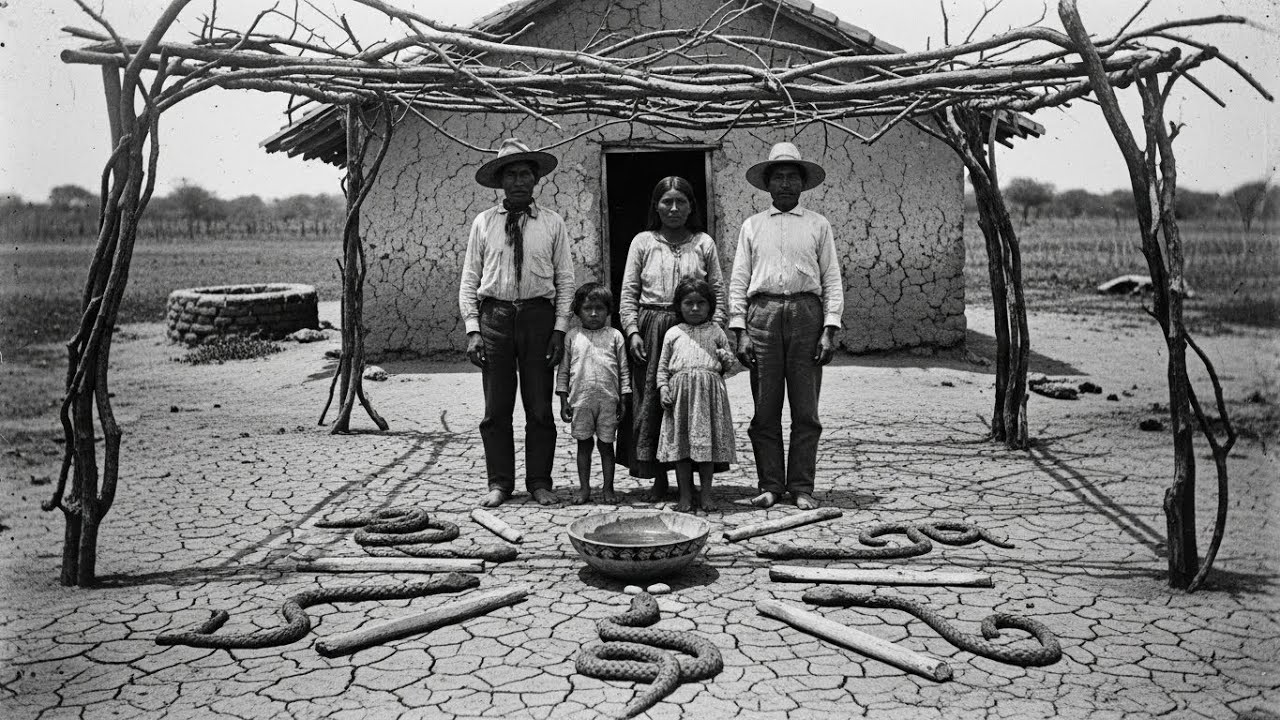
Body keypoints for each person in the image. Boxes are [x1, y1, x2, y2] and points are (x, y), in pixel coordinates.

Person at [459, 138, 575, 508]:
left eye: (526, 173)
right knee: (496, 408)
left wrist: (559, 329)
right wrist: (473, 329)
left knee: (539, 407)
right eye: (511, 174)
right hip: (495, 318)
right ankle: (500, 483)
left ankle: (539, 481)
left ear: (537, 179)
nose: (519, 181)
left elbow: (565, 280)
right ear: (500, 181)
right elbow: (470, 279)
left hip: (539, 318)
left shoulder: (552, 223)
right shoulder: (483, 223)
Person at [728, 142, 844, 511]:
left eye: (792, 177)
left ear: (802, 183)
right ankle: (770, 485)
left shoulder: (817, 224)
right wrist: (740, 330)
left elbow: (831, 278)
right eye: (778, 177)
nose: (785, 184)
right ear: (767, 184)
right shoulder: (752, 226)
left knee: (805, 410)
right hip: (762, 315)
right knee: (765, 408)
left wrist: (829, 328)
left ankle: (801, 486)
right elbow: (739, 278)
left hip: (806, 314)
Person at [618, 176, 726, 501]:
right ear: (656, 206)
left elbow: (717, 290)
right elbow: (629, 291)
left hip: (695, 328)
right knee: (652, 403)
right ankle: (659, 479)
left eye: (681, 201)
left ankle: (693, 482)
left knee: (693, 404)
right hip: (651, 327)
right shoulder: (643, 242)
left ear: (691, 206)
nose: (674, 208)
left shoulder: (703, 243)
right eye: (667, 202)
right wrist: (632, 331)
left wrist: (714, 332)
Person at [656, 277, 737, 514]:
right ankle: (685, 495)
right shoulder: (673, 333)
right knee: (681, 447)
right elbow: (662, 367)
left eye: (701, 303)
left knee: (706, 447)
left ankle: (706, 494)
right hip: (680, 396)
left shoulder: (716, 331)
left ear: (710, 306)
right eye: (688, 303)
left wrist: (727, 359)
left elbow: (728, 366)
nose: (694, 308)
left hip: (708, 396)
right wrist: (663, 388)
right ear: (679, 306)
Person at [556, 282, 631, 505]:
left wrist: (624, 398)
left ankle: (608, 488)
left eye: (599, 308)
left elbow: (623, 369)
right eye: (588, 308)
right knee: (584, 445)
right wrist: (563, 400)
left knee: (607, 446)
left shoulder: (615, 336)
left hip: (609, 401)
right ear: (578, 311)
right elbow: (563, 370)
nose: (594, 313)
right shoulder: (572, 336)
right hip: (580, 401)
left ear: (608, 311)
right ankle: (584, 488)